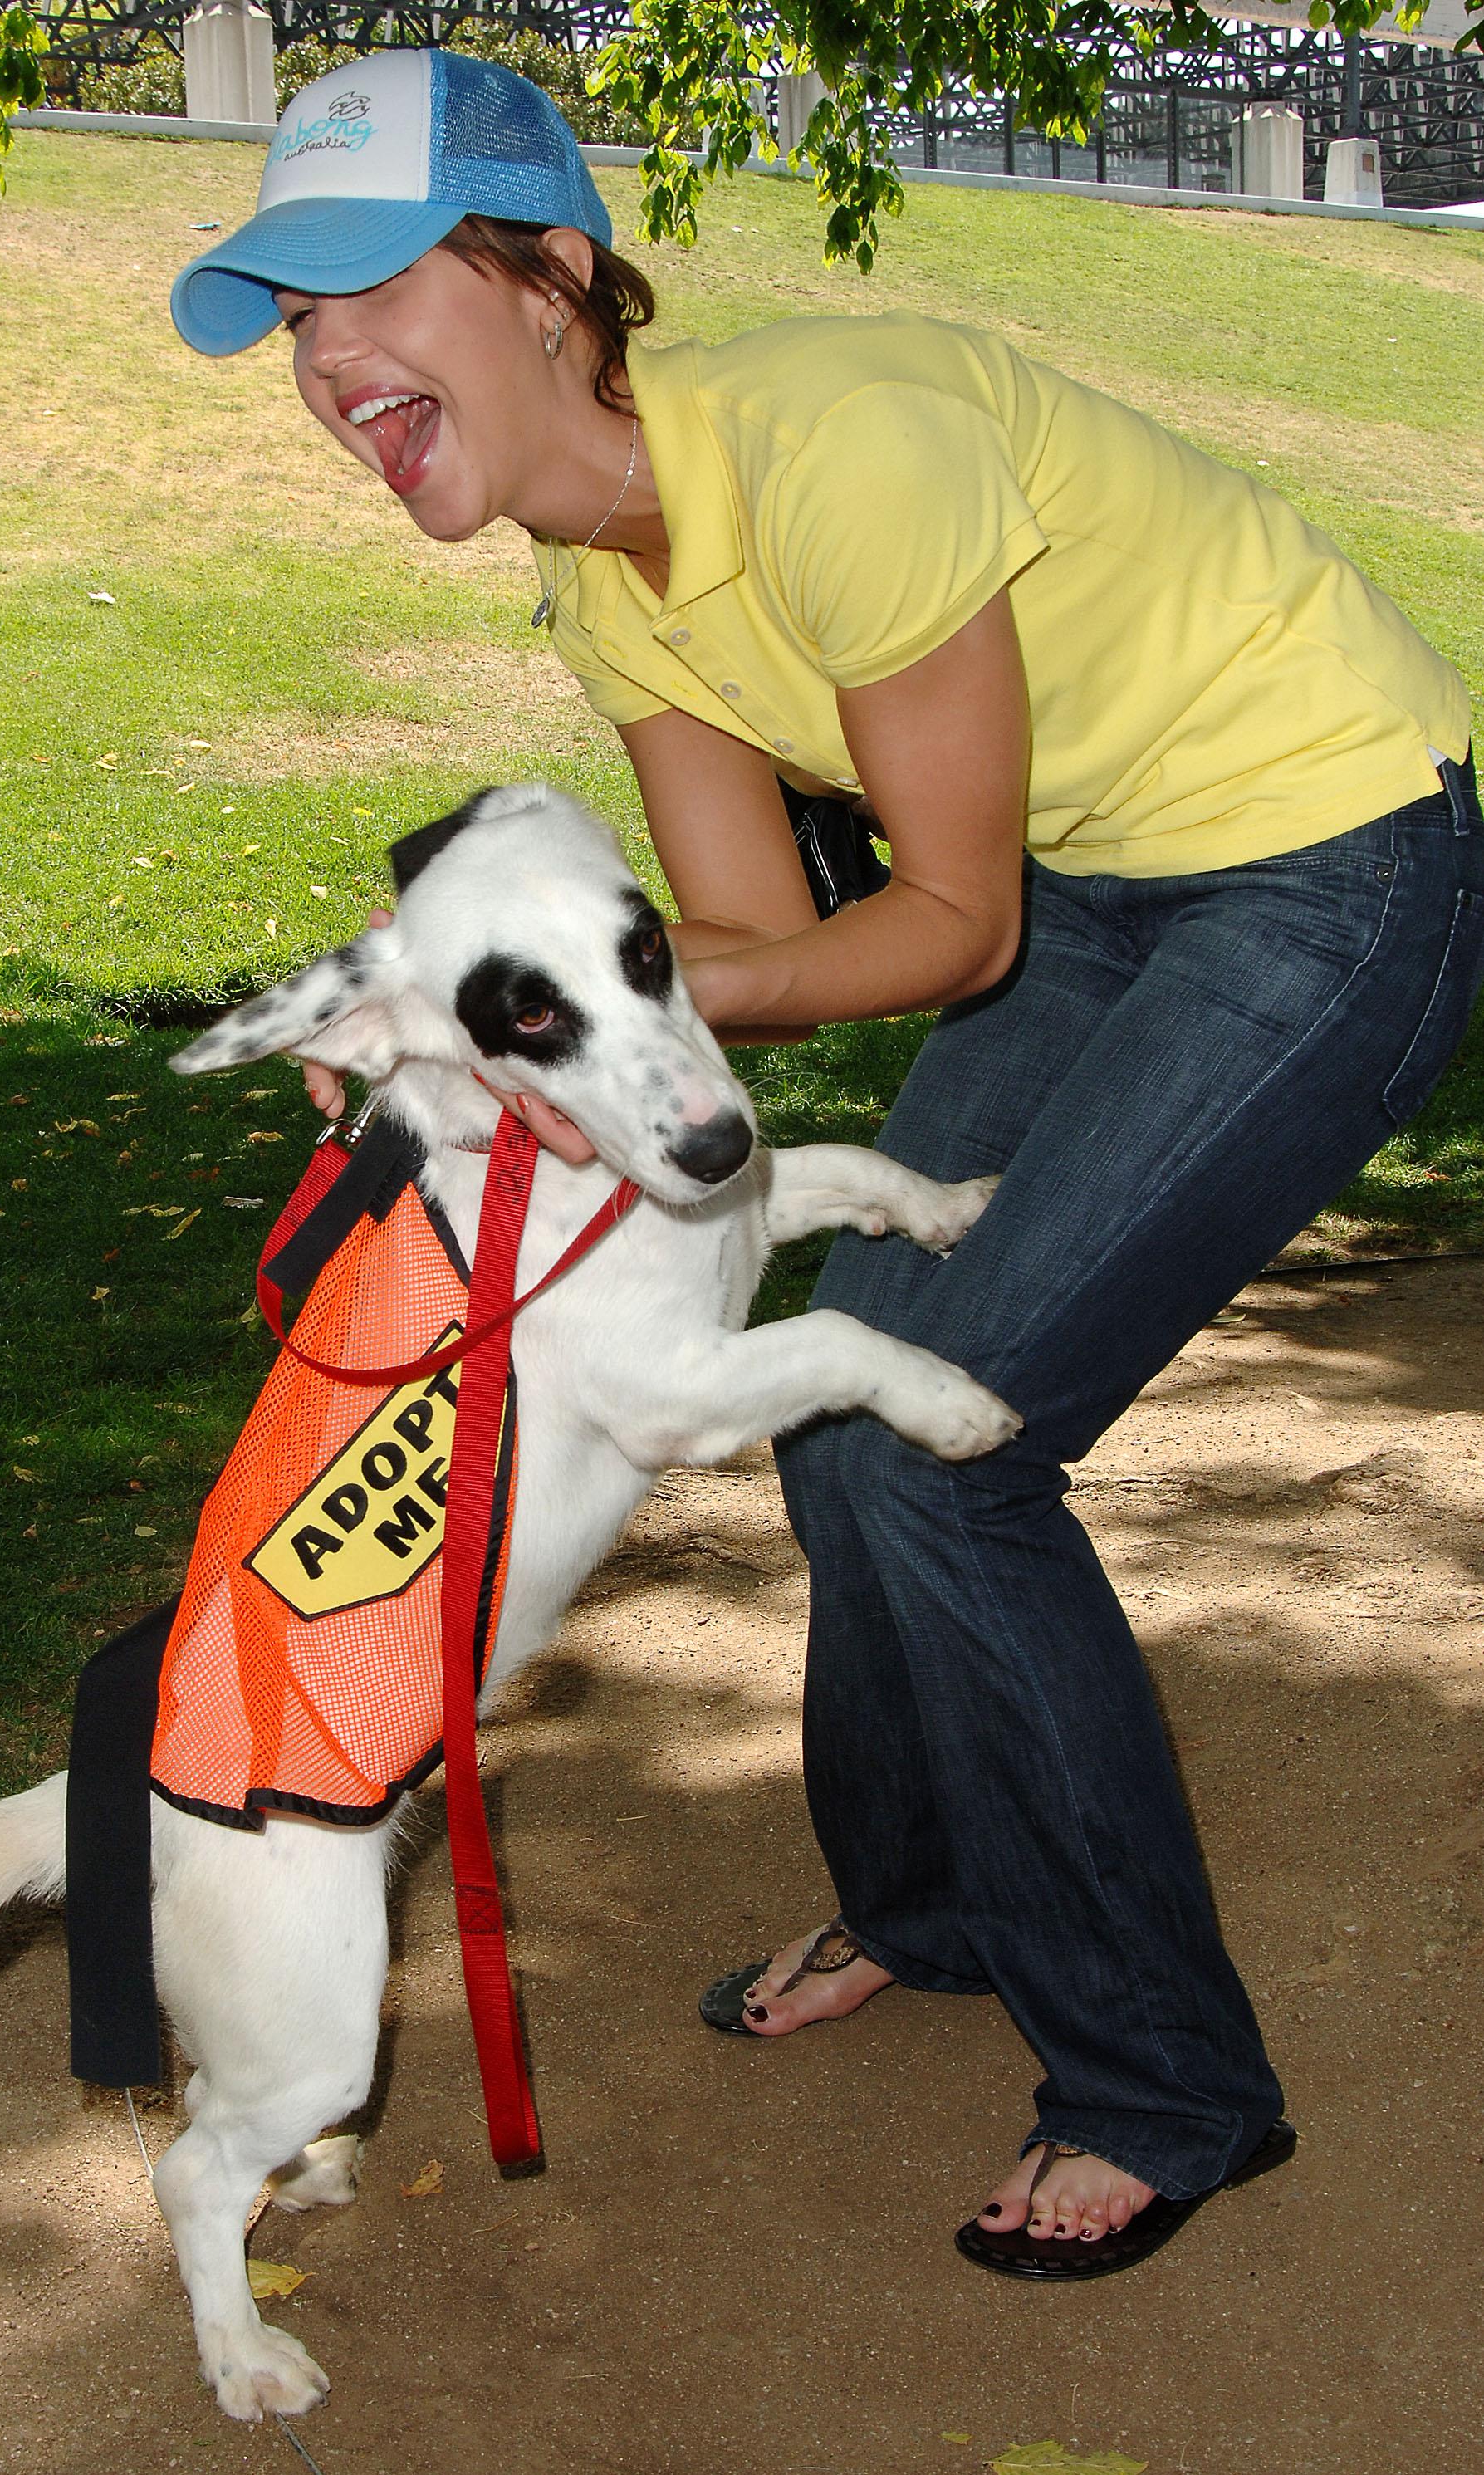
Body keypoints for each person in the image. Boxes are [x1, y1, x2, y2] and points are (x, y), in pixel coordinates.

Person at [169, 47, 1480, 2276]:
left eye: (363, 284)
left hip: (1324, 858)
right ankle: (928, 1897)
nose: (322, 360)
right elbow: (761, 956)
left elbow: (938, 924)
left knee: (934, 1453)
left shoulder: (837, 446)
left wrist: (530, 1006)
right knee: (845, 1368)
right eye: (288, 318)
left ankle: (1163, 2079)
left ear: (555, 280)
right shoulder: (611, 592)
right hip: (1097, 883)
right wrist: (506, 1057)